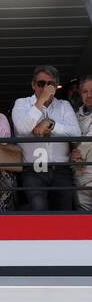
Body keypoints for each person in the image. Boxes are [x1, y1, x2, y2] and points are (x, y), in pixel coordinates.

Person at [12, 64, 79, 210]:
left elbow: (76, 133)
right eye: (41, 83)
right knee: (39, 208)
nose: (45, 88)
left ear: (56, 86)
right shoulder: (22, 103)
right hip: (34, 170)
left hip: (61, 170)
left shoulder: (64, 105)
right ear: (33, 85)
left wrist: (52, 125)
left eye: (51, 84)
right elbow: (23, 129)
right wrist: (40, 101)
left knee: (64, 213)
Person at [74, 75, 92, 210]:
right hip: (80, 180)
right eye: (85, 91)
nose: (89, 95)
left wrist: (78, 151)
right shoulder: (74, 116)